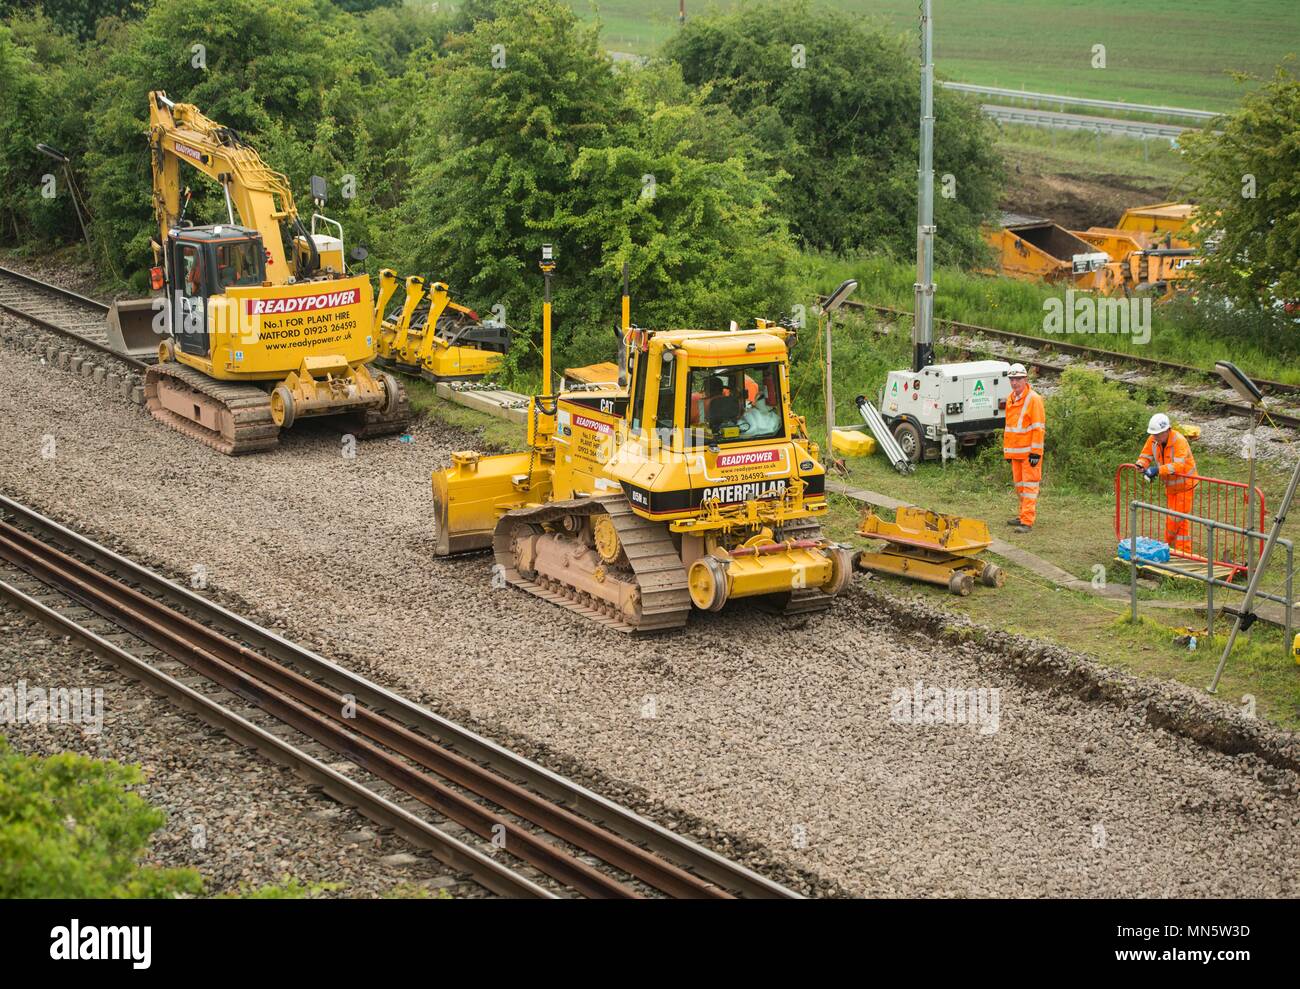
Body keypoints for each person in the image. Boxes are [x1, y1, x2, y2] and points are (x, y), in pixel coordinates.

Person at [1136, 412, 1198, 555]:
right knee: (1181, 521)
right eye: (1154, 434)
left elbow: (1178, 466)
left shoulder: (1179, 441)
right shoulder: (1153, 439)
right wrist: (1141, 464)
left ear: (1167, 430)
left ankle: (1168, 547)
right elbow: (1145, 455)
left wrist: (1157, 470)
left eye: (1158, 434)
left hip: (1185, 486)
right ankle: (1182, 552)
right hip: (1171, 486)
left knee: (1175, 519)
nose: (1155, 437)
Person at [1002, 363, 1045, 533]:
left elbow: (1038, 427)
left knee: (1029, 488)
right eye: (1012, 379)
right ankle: (1022, 515)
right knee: (1020, 487)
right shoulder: (1010, 399)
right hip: (1015, 453)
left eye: (1018, 379)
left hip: (1029, 454)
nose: (1014, 382)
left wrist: (1036, 452)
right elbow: (1009, 428)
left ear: (1025, 379)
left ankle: (1027, 521)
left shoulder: (1034, 399)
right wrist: (1007, 451)